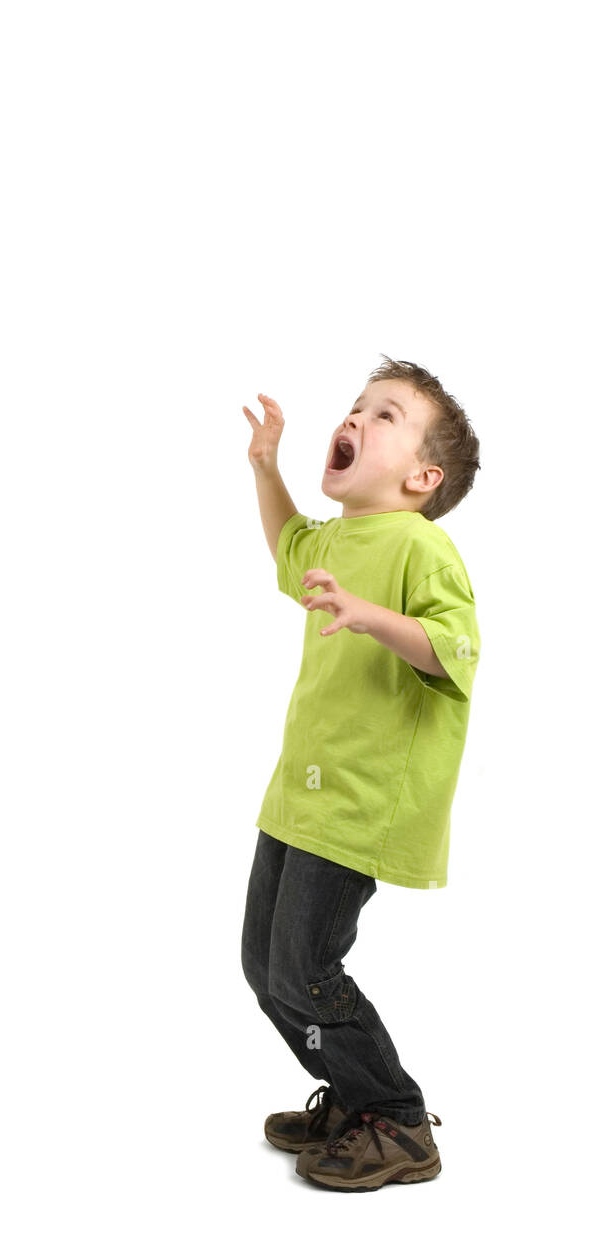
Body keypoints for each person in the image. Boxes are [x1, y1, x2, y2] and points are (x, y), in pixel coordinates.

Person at [240, 354, 480, 1193]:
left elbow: (457, 650)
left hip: (359, 800)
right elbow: (289, 547)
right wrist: (267, 467)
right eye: (356, 407)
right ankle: (354, 1097)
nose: (355, 419)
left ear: (423, 475)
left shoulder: (423, 545)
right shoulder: (336, 538)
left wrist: (374, 615)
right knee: (263, 966)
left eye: (385, 416)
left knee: (305, 967)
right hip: (300, 792)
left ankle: (398, 1120)